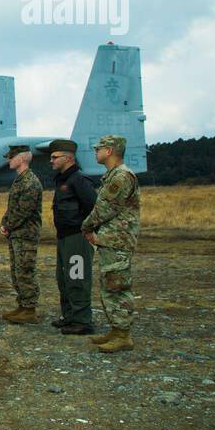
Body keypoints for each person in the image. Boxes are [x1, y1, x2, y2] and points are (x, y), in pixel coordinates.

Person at [82, 134, 142, 353]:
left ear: (109, 151)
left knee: (117, 286)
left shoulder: (121, 177)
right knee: (110, 284)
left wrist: (86, 226)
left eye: (99, 148)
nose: (95, 152)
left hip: (118, 240)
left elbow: (105, 209)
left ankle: (123, 334)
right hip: (111, 239)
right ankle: (117, 330)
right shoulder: (112, 175)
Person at [48, 139, 97, 335]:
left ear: (68, 158)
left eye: (54, 157)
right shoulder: (62, 180)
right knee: (63, 278)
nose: (51, 160)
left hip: (77, 237)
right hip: (64, 237)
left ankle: (83, 321)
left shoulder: (78, 180)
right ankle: (69, 316)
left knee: (77, 278)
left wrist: (88, 231)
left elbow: (94, 208)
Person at [0, 145, 44, 325]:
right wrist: (4, 222)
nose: (9, 160)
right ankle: (23, 305)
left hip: (26, 235)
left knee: (25, 271)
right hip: (17, 234)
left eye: (12, 157)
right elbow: (13, 208)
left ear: (23, 158)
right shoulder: (20, 181)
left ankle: (30, 309)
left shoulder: (30, 182)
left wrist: (8, 226)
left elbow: (24, 211)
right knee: (17, 270)